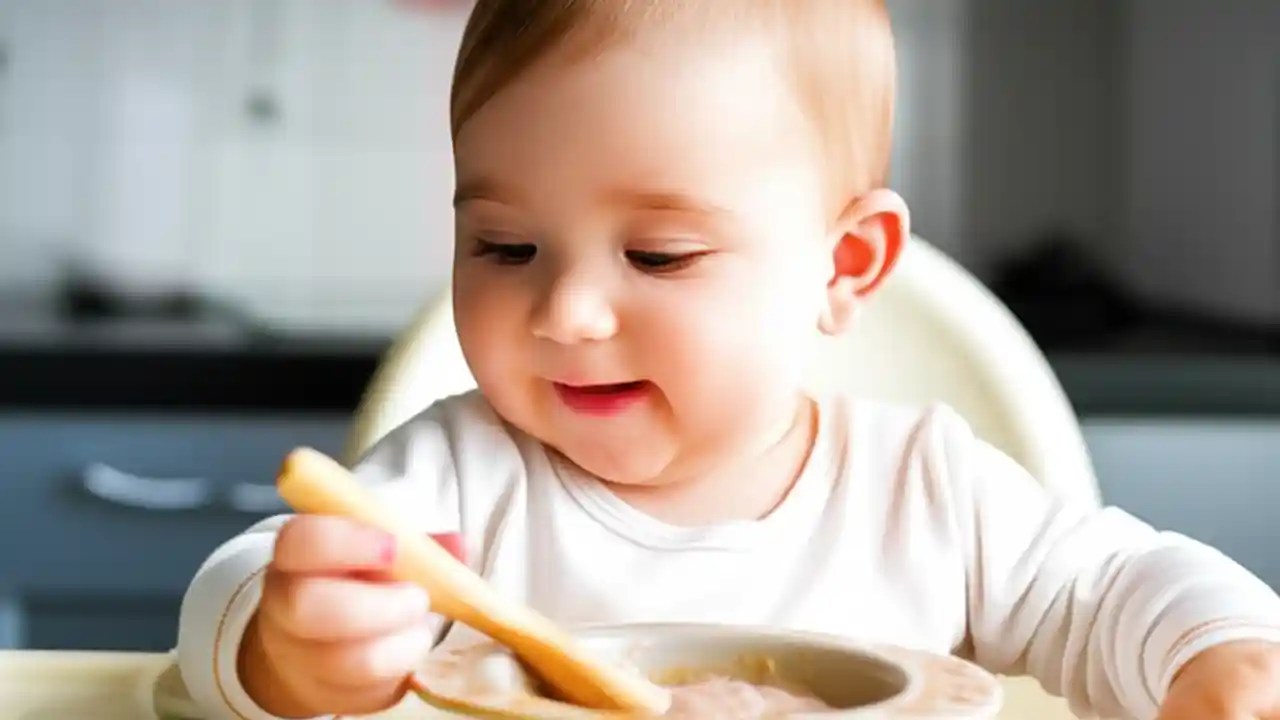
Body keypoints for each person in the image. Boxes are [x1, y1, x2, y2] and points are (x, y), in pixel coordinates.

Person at [177, 2, 1280, 718]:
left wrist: (1221, 655)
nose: (563, 311)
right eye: (503, 246)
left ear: (843, 266)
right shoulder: (463, 477)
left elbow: (1113, 588)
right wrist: (285, 649)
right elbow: (240, 590)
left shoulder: (927, 491)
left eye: (657, 255)